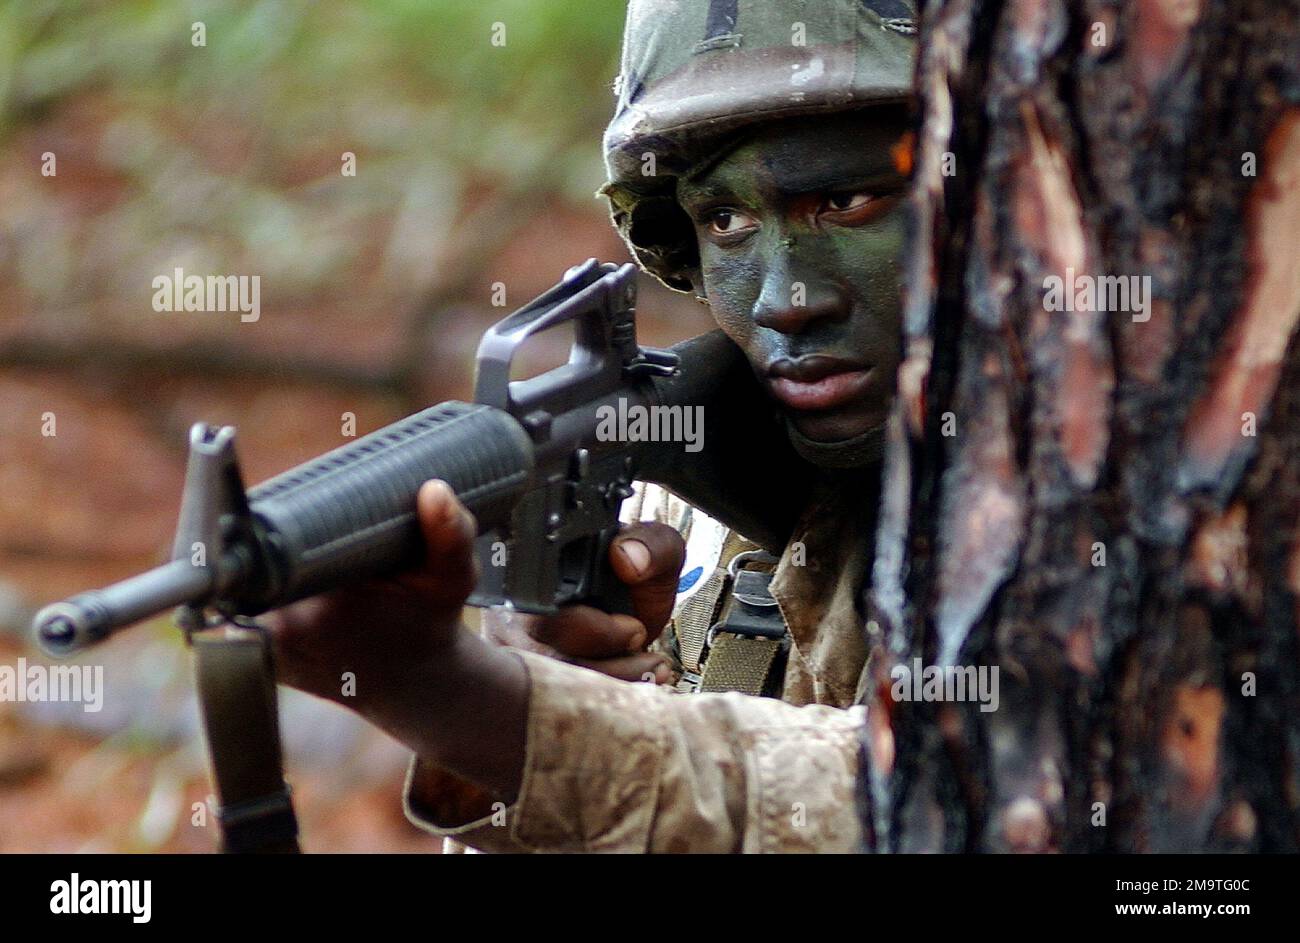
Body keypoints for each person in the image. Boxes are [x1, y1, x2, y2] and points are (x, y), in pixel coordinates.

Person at [267, 0, 917, 853]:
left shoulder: (1112, 492)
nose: (783, 300)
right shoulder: (694, 487)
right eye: (725, 221)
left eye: (847, 198)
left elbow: (956, 804)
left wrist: (477, 706)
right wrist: (559, 692)